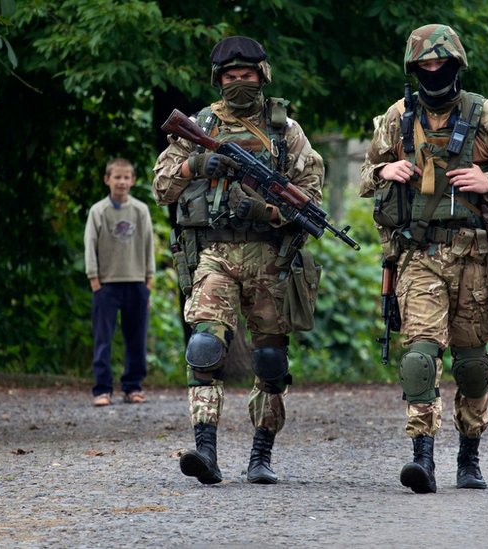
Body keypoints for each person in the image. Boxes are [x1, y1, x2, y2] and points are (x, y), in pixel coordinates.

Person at [359, 24, 488, 493]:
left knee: (472, 364)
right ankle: (422, 457)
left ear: (457, 64)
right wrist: (384, 170)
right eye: (426, 64)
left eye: (441, 63)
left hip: (475, 257)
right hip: (419, 255)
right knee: (420, 355)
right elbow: (365, 175)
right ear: (413, 69)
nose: (434, 71)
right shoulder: (398, 118)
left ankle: (469, 457)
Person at [152, 36, 325, 485]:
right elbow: (161, 187)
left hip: (270, 258)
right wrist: (195, 166)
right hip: (216, 253)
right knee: (205, 347)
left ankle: (261, 456)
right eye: (231, 76)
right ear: (219, 80)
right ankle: (205, 451)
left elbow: (311, 199)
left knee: (270, 360)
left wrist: (266, 211)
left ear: (262, 76)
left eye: (247, 75)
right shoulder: (200, 124)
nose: (239, 82)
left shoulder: (287, 131)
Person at [84, 158, 155, 407]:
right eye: (117, 177)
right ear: (107, 180)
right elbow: (90, 245)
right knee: (103, 339)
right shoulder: (98, 211)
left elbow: (149, 245)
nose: (121, 182)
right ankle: (102, 389)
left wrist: (148, 281)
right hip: (107, 284)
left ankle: (133, 386)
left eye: (126, 177)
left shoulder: (140, 210)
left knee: (136, 339)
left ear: (133, 181)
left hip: (136, 282)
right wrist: (94, 279)